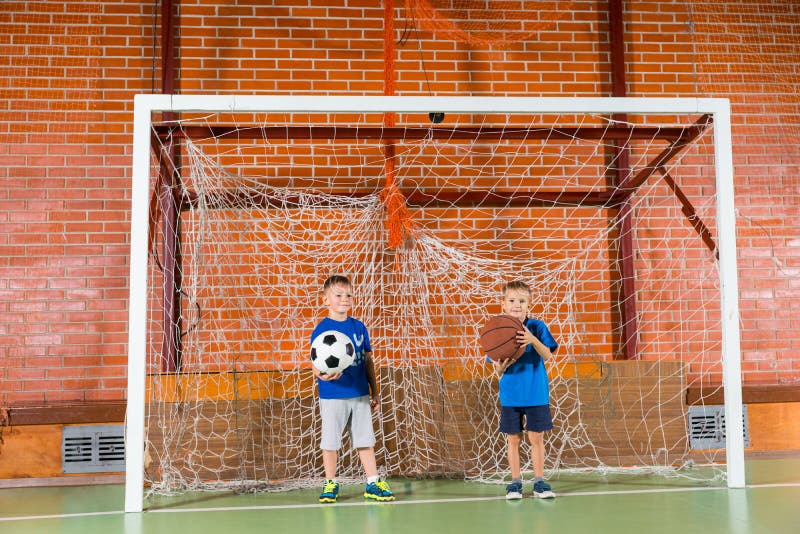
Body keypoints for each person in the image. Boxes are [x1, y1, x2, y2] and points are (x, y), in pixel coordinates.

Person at [310, 275, 395, 503]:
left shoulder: (359, 327)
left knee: (365, 440)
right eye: (338, 295)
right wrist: (323, 375)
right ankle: (330, 483)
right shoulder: (322, 329)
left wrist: (375, 390)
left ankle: (373, 483)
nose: (344, 299)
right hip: (333, 395)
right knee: (330, 442)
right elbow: (315, 364)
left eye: (348, 295)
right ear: (325, 300)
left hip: (359, 394)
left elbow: (368, 361)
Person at [490, 280, 558, 500]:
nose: (516, 305)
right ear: (503, 304)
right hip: (511, 395)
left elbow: (547, 355)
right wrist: (501, 367)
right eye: (511, 300)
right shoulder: (497, 330)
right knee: (513, 439)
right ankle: (515, 483)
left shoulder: (537, 327)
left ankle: (539, 482)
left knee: (536, 438)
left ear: (529, 304)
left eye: (521, 301)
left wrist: (532, 339)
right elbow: (498, 368)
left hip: (536, 392)